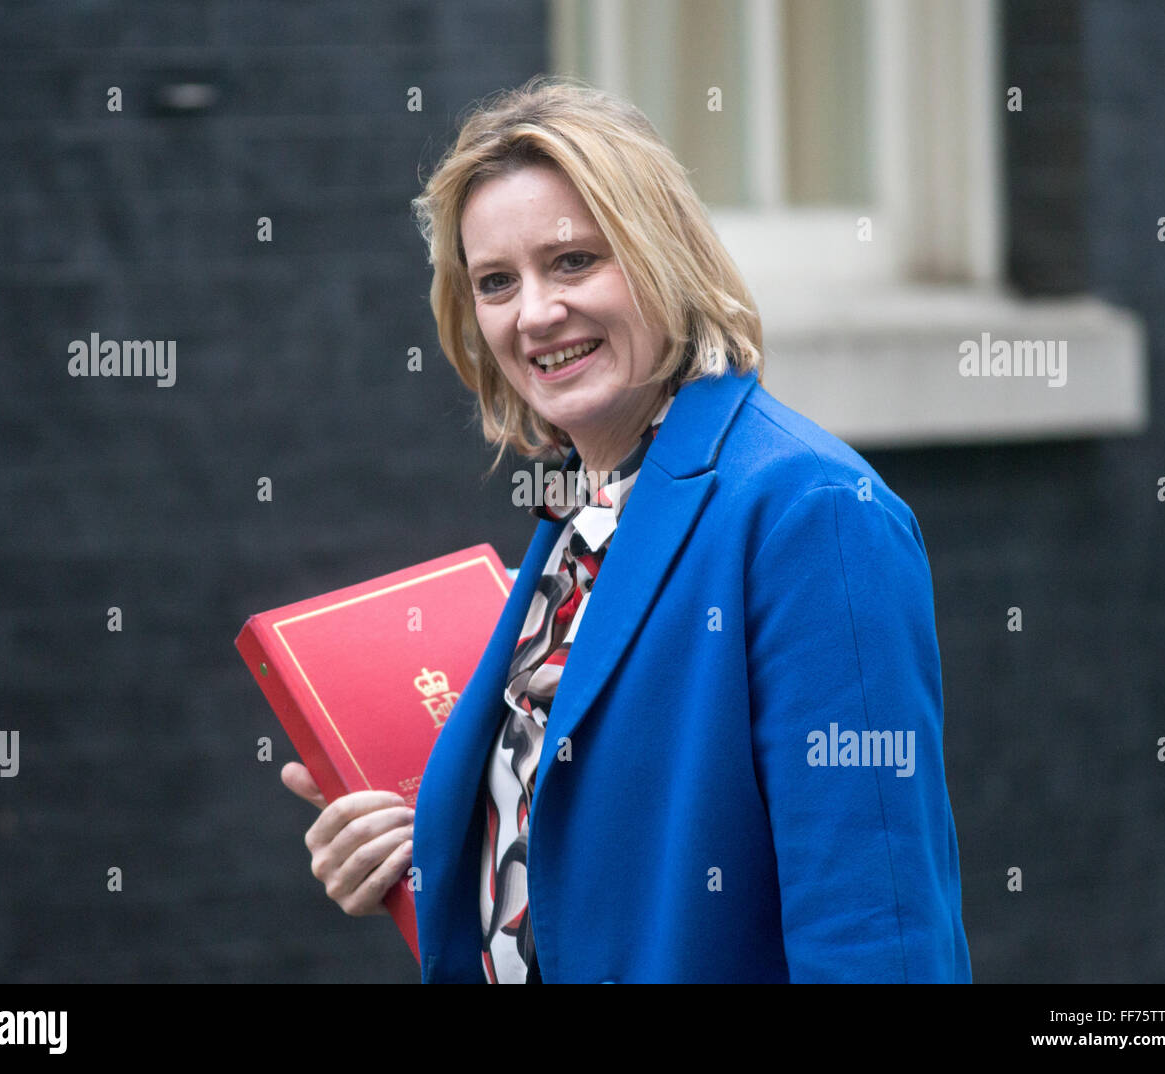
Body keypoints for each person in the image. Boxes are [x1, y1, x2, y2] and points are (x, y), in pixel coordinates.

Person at [282, 75, 971, 984]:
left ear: (663, 257)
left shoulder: (811, 513)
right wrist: (436, 846)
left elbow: (876, 933)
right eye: (496, 281)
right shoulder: (582, 517)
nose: (534, 313)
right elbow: (615, 846)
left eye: (573, 261)